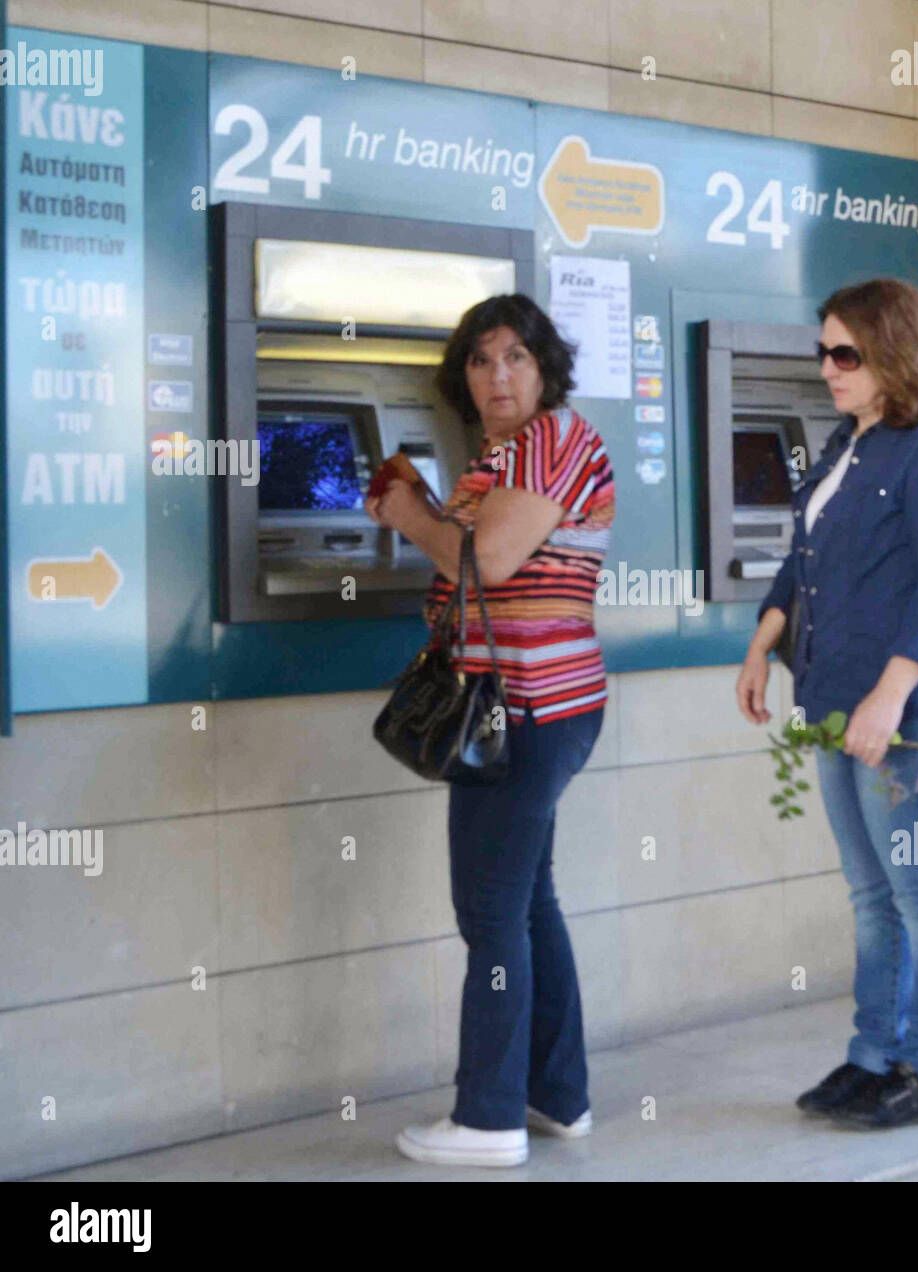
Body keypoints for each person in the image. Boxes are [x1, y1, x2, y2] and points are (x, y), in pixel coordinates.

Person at [366, 293, 614, 1168]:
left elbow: (490, 560)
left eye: (514, 356)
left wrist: (410, 518)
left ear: (543, 366)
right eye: (479, 360)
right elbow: (480, 552)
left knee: (491, 912)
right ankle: (556, 1094)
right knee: (527, 901)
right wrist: (431, 509)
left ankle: (488, 1119)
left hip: (527, 710)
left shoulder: (551, 439)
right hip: (539, 703)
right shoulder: (506, 453)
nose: (496, 375)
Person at [736, 278, 918, 1130]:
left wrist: (890, 695)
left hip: (909, 720)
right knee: (872, 897)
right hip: (835, 707)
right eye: (824, 353)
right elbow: (800, 561)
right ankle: (874, 1057)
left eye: (847, 353)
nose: (829, 368)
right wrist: (764, 643)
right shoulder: (845, 445)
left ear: (894, 351)